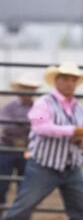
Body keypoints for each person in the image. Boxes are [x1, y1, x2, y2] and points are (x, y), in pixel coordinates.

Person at [0, 62, 83, 220]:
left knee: (81, 208)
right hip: (44, 166)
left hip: (72, 166)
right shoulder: (43, 103)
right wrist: (72, 131)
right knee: (24, 206)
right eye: (66, 79)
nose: (70, 83)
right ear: (57, 81)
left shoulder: (82, 110)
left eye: (73, 80)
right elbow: (40, 127)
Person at [0, 74, 41, 211]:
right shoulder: (8, 107)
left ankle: (19, 217)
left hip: (28, 149)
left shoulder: (39, 108)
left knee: (25, 187)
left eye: (31, 88)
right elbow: (7, 127)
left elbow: (40, 127)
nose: (28, 91)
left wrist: (20, 124)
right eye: (25, 88)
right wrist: (30, 124)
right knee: (2, 184)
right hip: (8, 148)